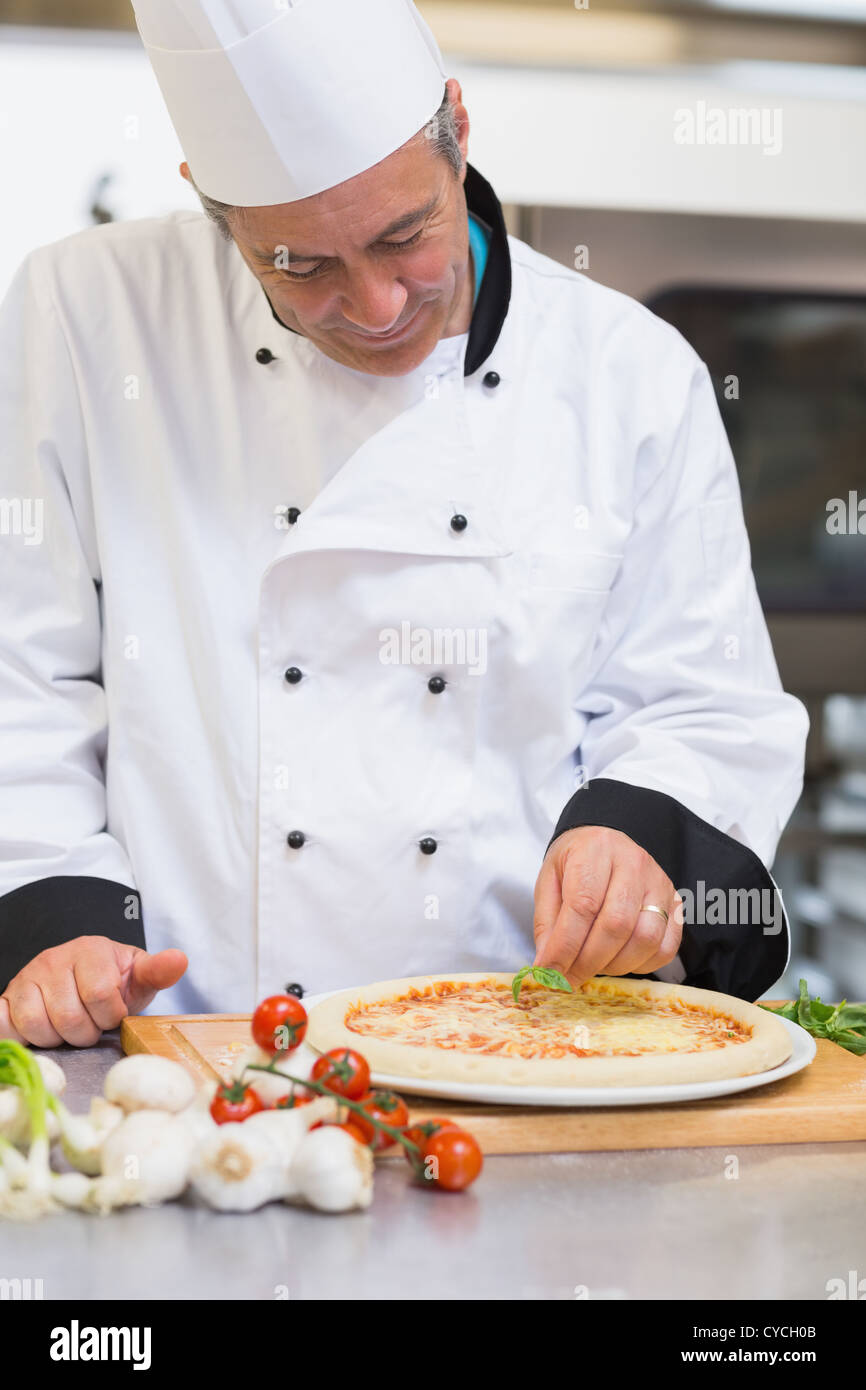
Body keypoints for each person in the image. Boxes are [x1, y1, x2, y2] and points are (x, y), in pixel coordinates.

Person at [0, 0, 807, 1047]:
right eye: (299, 265)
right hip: (185, 1048)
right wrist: (50, 906)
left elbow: (702, 702)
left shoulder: (628, 372)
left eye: (403, 236)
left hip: (524, 1056)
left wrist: (634, 825)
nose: (376, 306)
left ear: (456, 132)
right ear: (208, 202)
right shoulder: (83, 313)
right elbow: (21, 664)